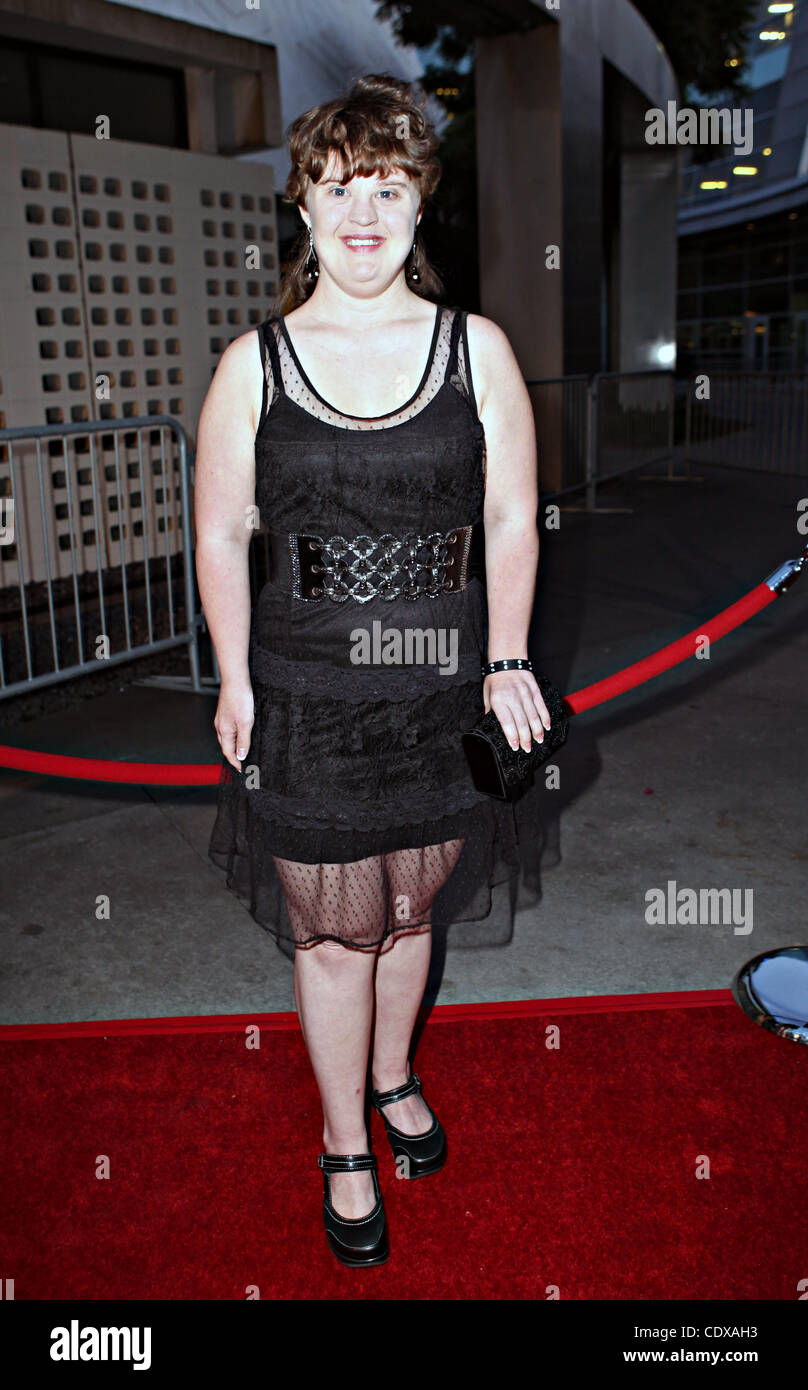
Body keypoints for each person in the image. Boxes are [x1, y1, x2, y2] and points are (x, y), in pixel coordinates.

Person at [195, 73, 549, 1268]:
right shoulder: (252, 367)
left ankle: (395, 1073)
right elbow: (216, 532)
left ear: (417, 207)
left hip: (441, 686)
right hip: (305, 694)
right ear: (301, 206)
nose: (362, 211)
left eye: (387, 187)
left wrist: (505, 658)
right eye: (339, 186)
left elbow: (510, 516)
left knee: (408, 912)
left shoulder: (476, 348)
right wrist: (233, 676)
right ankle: (346, 1137)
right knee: (336, 933)